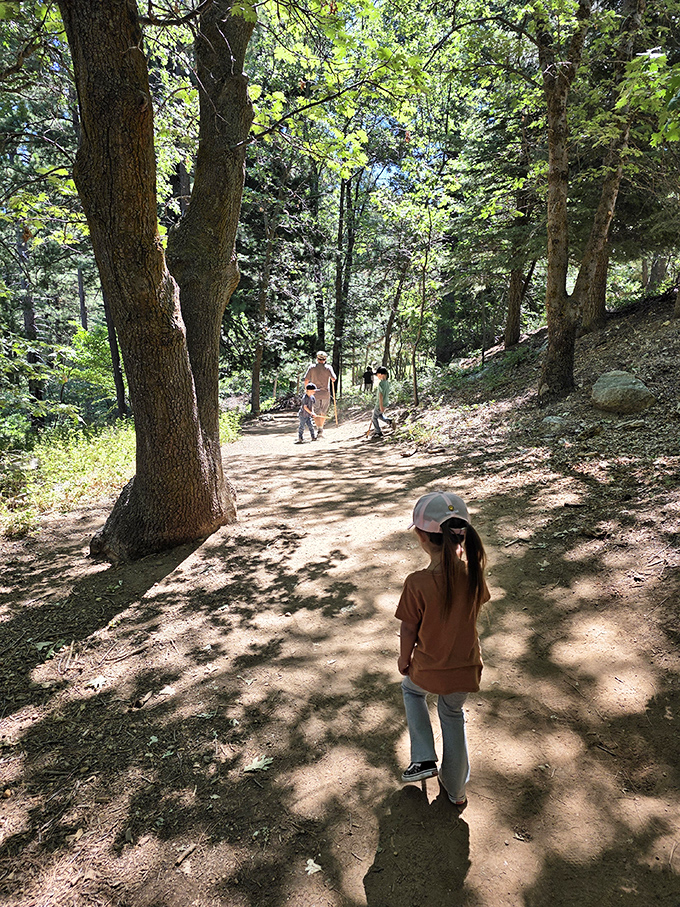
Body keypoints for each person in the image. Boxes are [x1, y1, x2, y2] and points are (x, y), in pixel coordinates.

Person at [396, 491, 489, 812]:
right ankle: (456, 789)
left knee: (411, 691)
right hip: (466, 669)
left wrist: (403, 659)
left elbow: (409, 629)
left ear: (422, 537)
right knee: (452, 715)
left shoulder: (417, 583)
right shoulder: (474, 574)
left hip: (428, 669)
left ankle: (422, 757)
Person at [303, 351, 336, 437]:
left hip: (314, 393)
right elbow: (334, 378)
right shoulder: (328, 368)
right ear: (325, 359)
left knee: (316, 411)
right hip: (325, 393)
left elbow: (306, 380)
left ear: (317, 359)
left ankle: (319, 429)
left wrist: (307, 390)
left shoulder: (312, 368)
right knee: (323, 411)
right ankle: (321, 429)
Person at [370, 366, 391, 438]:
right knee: (379, 415)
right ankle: (389, 421)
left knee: (374, 418)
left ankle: (378, 432)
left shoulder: (381, 384)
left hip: (379, 404)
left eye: (378, 374)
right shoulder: (387, 383)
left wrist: (381, 406)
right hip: (385, 403)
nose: (377, 376)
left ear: (382, 374)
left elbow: (381, 396)